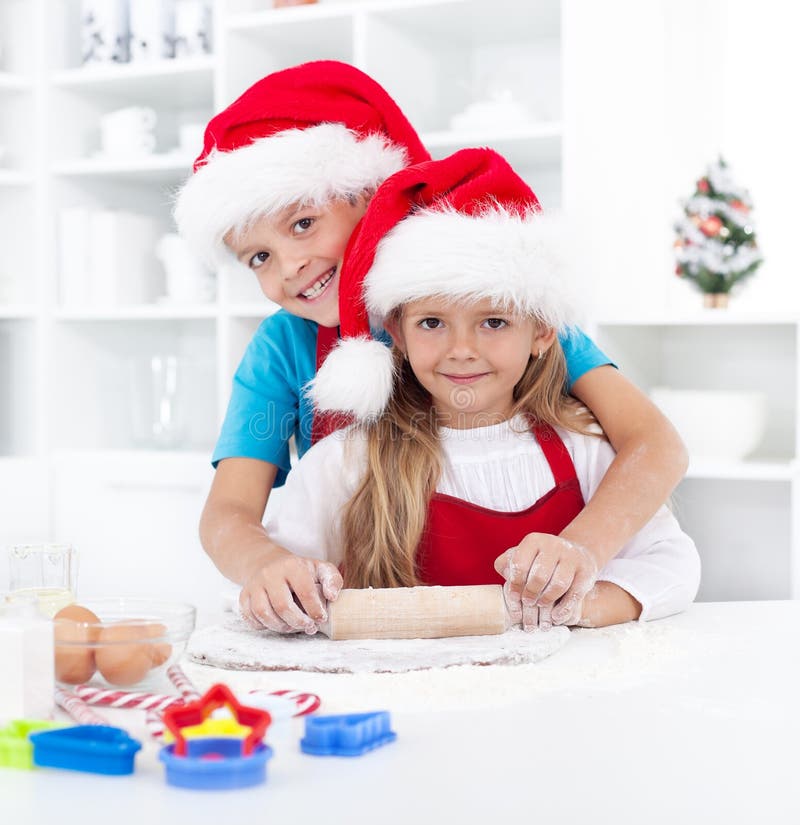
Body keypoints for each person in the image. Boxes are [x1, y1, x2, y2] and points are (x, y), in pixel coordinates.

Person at [173, 61, 689, 630]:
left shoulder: (501, 299)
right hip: (373, 620)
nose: (290, 265)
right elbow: (227, 514)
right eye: (259, 258)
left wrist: (578, 556)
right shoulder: (280, 352)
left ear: (370, 195)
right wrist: (269, 566)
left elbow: (654, 445)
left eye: (302, 224)